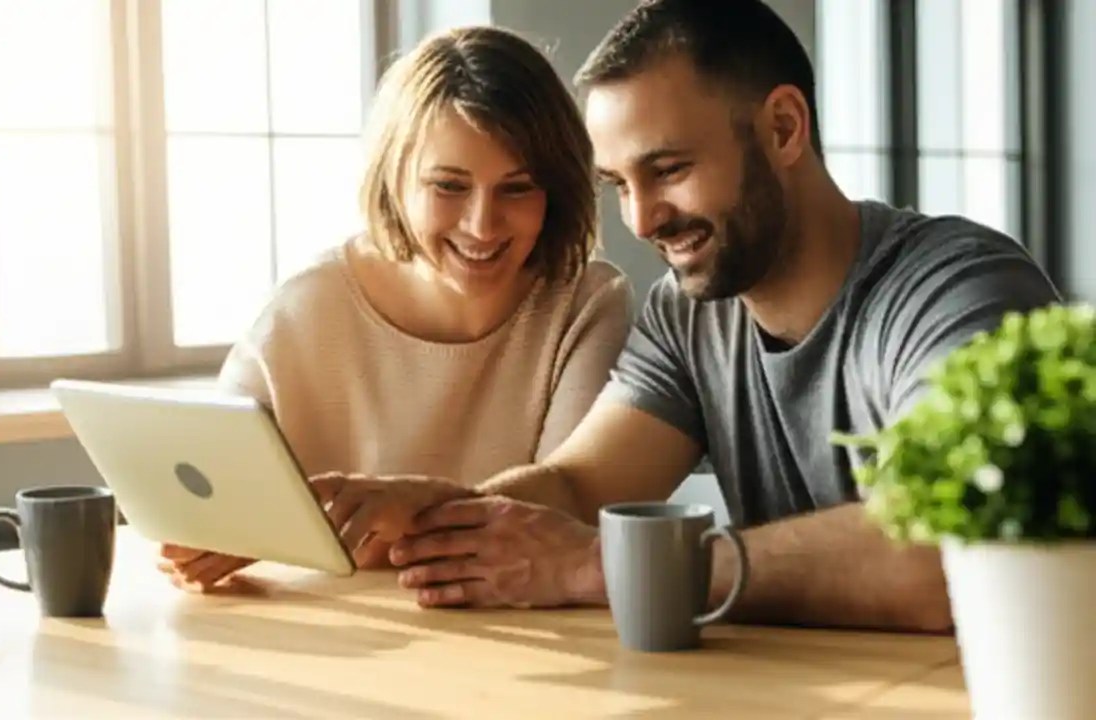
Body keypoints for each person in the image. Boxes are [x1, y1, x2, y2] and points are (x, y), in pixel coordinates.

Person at [353, 0, 1059, 629]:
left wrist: (601, 567)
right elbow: (580, 485)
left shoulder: (956, 288)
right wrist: (447, 515)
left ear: (783, 128)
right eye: (619, 184)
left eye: (667, 171)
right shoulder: (686, 317)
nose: (642, 218)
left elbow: (959, 553)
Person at [159, 26, 633, 591]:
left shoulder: (587, 305)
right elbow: (210, 493)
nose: (482, 225)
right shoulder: (307, 308)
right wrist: (211, 537)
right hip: (336, 639)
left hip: (516, 635)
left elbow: (564, 519)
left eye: (517, 189)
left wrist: (375, 521)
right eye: (449, 186)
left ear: (555, 191)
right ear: (395, 179)